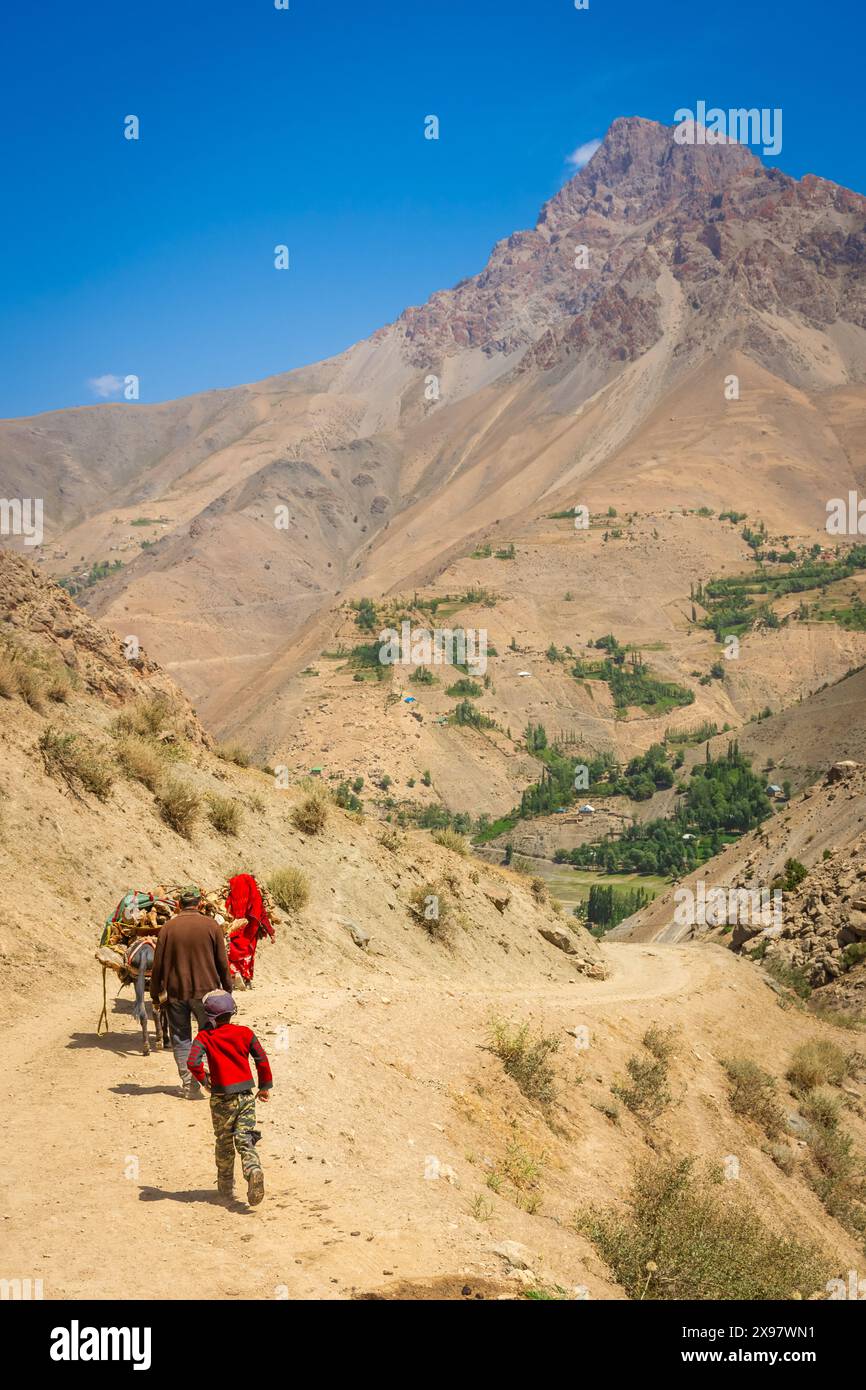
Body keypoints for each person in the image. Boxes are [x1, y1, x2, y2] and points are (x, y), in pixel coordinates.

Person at [187, 990, 272, 1206]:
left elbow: (192, 1062)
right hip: (245, 1097)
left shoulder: (204, 1037)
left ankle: (225, 1189)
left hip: (221, 1099)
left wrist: (205, 1080)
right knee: (245, 1138)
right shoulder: (245, 1033)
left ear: (209, 1016)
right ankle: (253, 1170)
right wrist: (263, 1087)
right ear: (232, 1012)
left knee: (224, 1142)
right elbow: (261, 1059)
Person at [149, 885, 233, 1099]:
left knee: (180, 1037)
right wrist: (228, 991)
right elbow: (223, 964)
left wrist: (155, 994)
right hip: (208, 994)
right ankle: (206, 1073)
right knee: (209, 1035)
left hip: (176, 993)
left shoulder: (168, 928)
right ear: (200, 904)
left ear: (178, 905)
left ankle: (190, 1085)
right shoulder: (212, 926)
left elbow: (157, 966)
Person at [225, 872, 275, 988]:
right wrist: (271, 932)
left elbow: (225, 913)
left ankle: (233, 975)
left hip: (234, 932)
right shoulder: (256, 897)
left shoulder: (232, 896)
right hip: (250, 934)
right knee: (248, 954)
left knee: (231, 953)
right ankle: (246, 978)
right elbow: (262, 915)